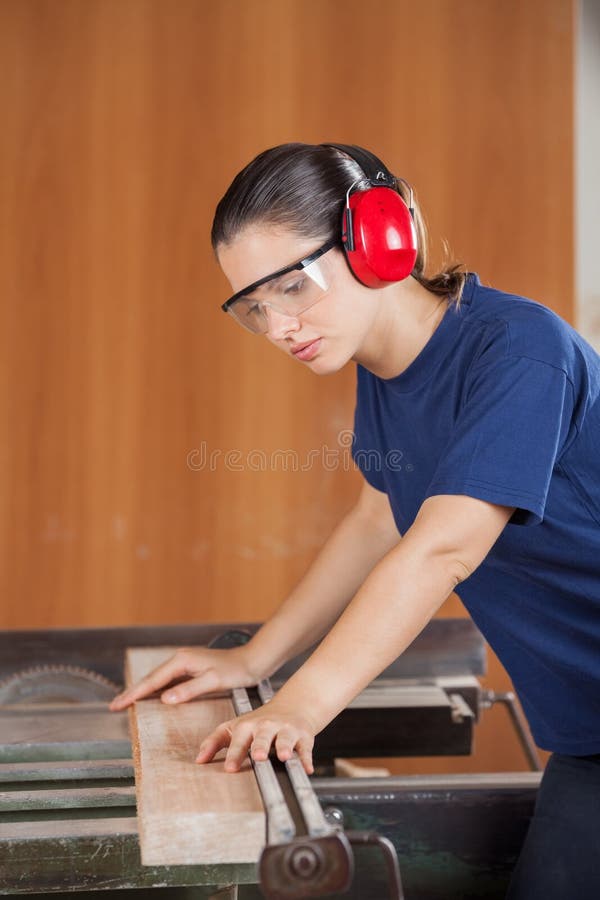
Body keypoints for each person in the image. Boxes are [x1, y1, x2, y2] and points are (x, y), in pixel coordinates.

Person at [110, 143, 600, 898]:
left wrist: (301, 705)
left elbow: (441, 551)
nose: (278, 326)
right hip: (586, 730)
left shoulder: (522, 352)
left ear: (379, 237)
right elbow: (382, 516)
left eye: (293, 287)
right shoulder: (389, 372)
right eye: (253, 308)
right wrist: (258, 657)